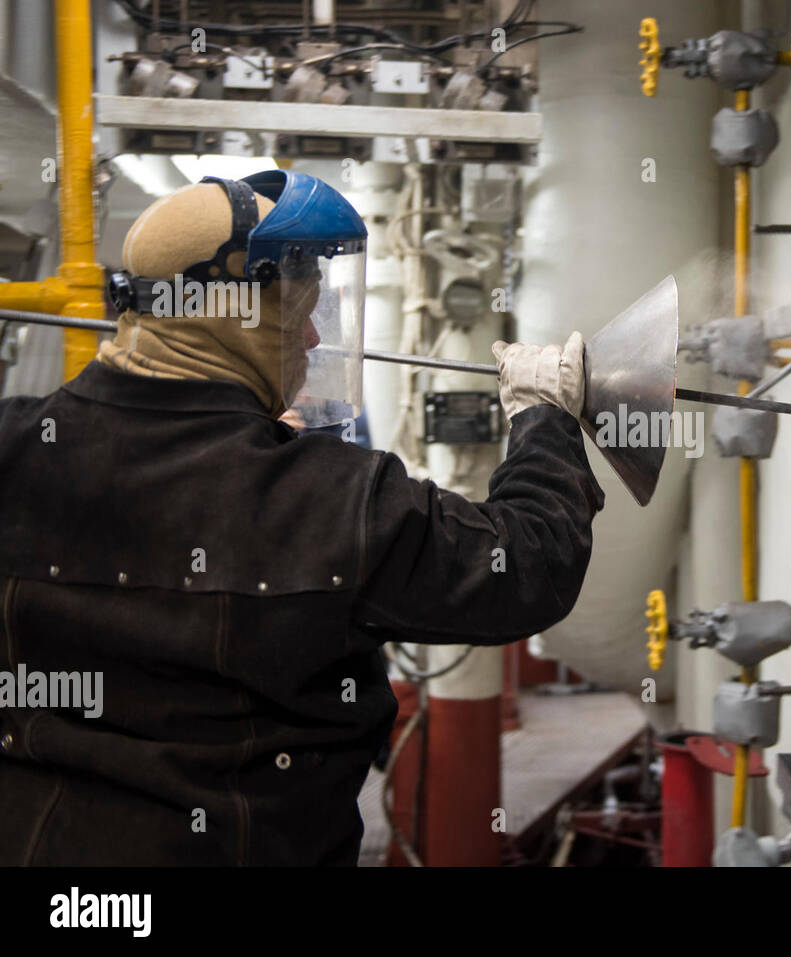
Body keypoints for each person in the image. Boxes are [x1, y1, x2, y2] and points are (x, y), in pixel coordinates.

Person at [0, 171, 603, 865]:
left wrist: (251, 451)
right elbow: (527, 564)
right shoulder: (329, 500)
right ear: (236, 313)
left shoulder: (15, 446)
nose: (315, 336)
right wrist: (542, 417)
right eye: (300, 309)